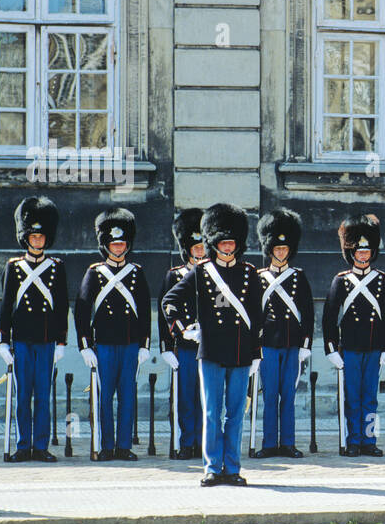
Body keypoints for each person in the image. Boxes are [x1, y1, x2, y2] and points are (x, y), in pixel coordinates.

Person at [161, 203, 263, 487]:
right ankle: (212, 468)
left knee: (235, 413)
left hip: (242, 351)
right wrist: (184, 329)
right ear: (213, 243)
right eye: (222, 242)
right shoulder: (203, 271)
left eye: (231, 242)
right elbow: (170, 301)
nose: (227, 246)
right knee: (211, 412)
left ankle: (232, 467)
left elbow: (257, 316)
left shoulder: (249, 272)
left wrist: (257, 353)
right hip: (212, 351)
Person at [74, 208, 151, 462]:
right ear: (106, 246)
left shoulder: (136, 272)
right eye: (113, 244)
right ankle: (105, 445)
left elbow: (144, 310)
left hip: (129, 345)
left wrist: (144, 344)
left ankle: (124, 445)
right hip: (103, 345)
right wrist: (85, 345)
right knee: (103, 398)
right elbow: (83, 310)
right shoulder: (95, 272)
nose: (118, 248)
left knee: (127, 397)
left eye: (121, 244)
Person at [0, 196, 68, 463]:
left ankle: (41, 445)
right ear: (25, 238)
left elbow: (62, 307)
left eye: (41, 237)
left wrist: (62, 341)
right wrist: (3, 341)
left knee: (43, 395)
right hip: (23, 339)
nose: (37, 241)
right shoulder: (13, 267)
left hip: (47, 339)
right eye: (33, 237)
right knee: (22, 394)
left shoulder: (56, 267)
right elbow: (5, 306)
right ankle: (22, 444)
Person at [323, 215, 385, 457]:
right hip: (350, 348)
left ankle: (369, 440)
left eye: (367, 252)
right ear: (351, 253)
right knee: (352, 397)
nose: (363, 255)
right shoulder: (341, 280)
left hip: (374, 347)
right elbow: (329, 316)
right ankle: (353, 440)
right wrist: (331, 349)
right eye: (359, 252)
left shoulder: (381, 279)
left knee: (370, 399)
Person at [254, 208, 314, 459]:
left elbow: (308, 312)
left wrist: (305, 344)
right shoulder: (259, 278)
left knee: (288, 396)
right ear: (270, 250)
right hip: (267, 344)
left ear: (290, 250)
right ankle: (269, 444)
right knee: (269, 396)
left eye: (284, 249)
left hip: (291, 343)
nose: (280, 252)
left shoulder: (299, 277)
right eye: (276, 249)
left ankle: (287, 442)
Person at [158, 208, 205, 460]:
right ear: (188, 250)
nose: (199, 251)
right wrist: (167, 347)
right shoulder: (174, 275)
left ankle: (203, 442)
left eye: (202, 247)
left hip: (208, 345)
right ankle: (186, 442)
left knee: (205, 399)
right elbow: (164, 311)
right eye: (195, 248)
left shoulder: (212, 274)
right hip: (184, 346)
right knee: (185, 398)